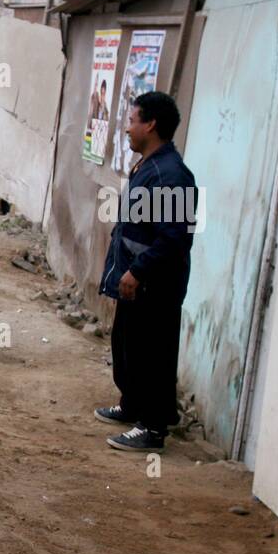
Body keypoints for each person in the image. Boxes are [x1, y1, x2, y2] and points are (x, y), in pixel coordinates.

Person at [96, 91, 197, 452]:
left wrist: (138, 271)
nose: (126, 128)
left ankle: (152, 428)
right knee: (128, 346)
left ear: (150, 125)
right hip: (137, 284)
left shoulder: (172, 175)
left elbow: (174, 237)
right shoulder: (149, 166)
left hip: (156, 286)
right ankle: (132, 406)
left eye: (132, 120)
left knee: (152, 353)